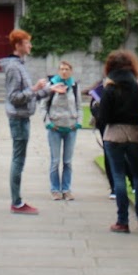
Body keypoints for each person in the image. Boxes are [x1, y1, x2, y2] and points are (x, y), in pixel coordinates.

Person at [94, 49, 138, 232]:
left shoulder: (110, 87)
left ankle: (122, 220)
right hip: (134, 133)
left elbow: (102, 117)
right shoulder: (137, 85)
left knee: (119, 176)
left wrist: (97, 110)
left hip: (114, 134)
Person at [0, 28, 52, 214]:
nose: (30, 45)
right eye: (27, 42)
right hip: (18, 120)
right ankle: (17, 202)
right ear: (18, 46)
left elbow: (29, 96)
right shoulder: (14, 67)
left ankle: (17, 201)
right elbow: (14, 97)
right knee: (18, 160)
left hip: (23, 118)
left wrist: (50, 90)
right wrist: (35, 87)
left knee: (19, 159)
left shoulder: (20, 65)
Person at [43, 57, 81, 200]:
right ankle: (55, 190)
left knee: (67, 161)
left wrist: (78, 122)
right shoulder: (51, 86)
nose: (64, 72)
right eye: (62, 69)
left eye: (67, 69)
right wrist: (48, 123)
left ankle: (66, 189)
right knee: (55, 161)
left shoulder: (74, 86)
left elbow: (79, 106)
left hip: (70, 127)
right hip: (55, 128)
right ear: (58, 71)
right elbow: (43, 106)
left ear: (71, 71)